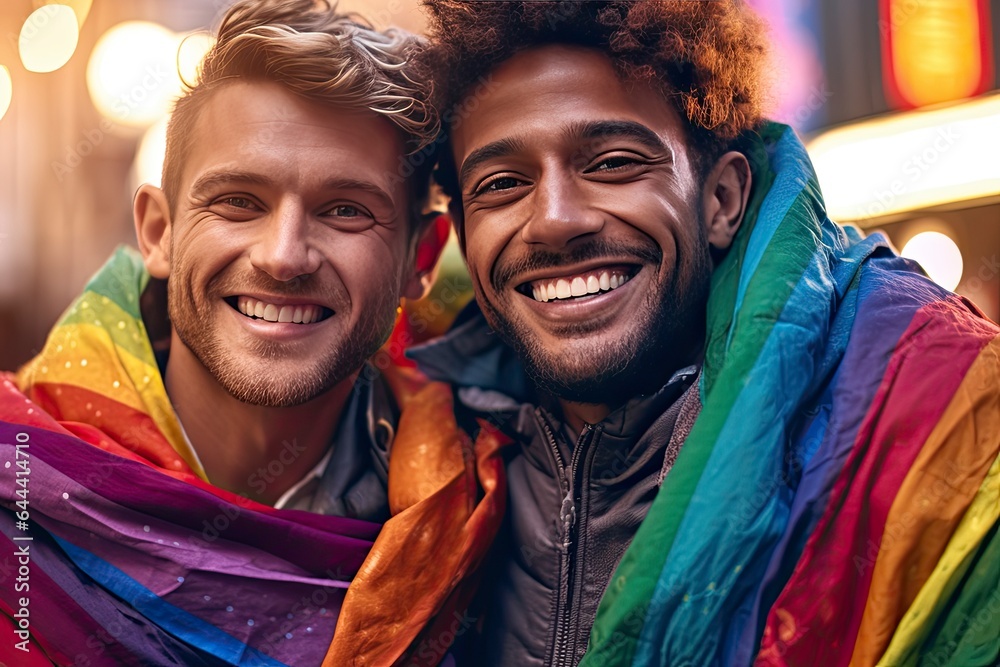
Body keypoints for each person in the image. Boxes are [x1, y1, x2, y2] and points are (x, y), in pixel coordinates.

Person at [410, 2, 1000, 666]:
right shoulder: (416, 460)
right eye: (504, 183)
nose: (554, 220)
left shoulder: (935, 409)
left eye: (610, 163)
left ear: (721, 199)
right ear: (463, 234)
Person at [0, 1, 506, 665]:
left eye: (345, 210)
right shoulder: (21, 482)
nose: (283, 256)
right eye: (239, 201)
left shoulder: (482, 517)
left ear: (419, 258)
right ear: (158, 231)